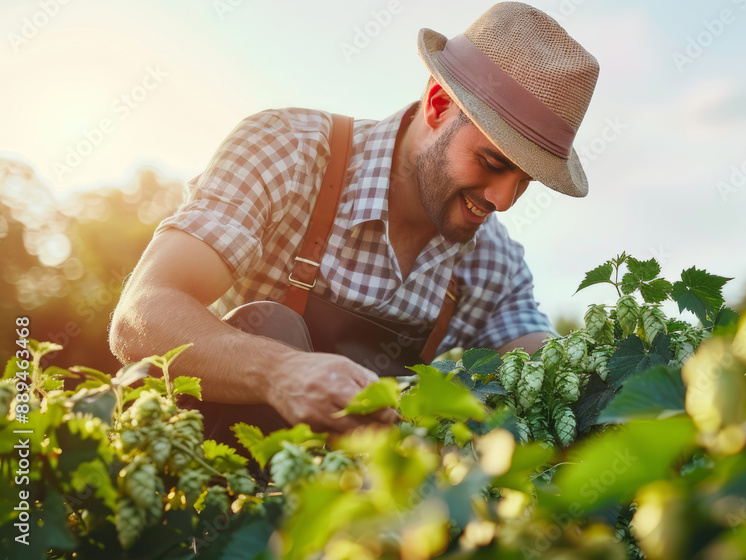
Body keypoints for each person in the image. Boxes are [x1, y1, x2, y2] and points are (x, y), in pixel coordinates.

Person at [109, 2, 600, 436]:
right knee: (272, 324)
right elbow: (142, 315)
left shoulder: (494, 262)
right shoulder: (288, 151)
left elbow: (539, 357)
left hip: (345, 523)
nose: (503, 200)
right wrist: (279, 372)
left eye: (525, 181)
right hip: (195, 491)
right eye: (493, 164)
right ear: (438, 105)